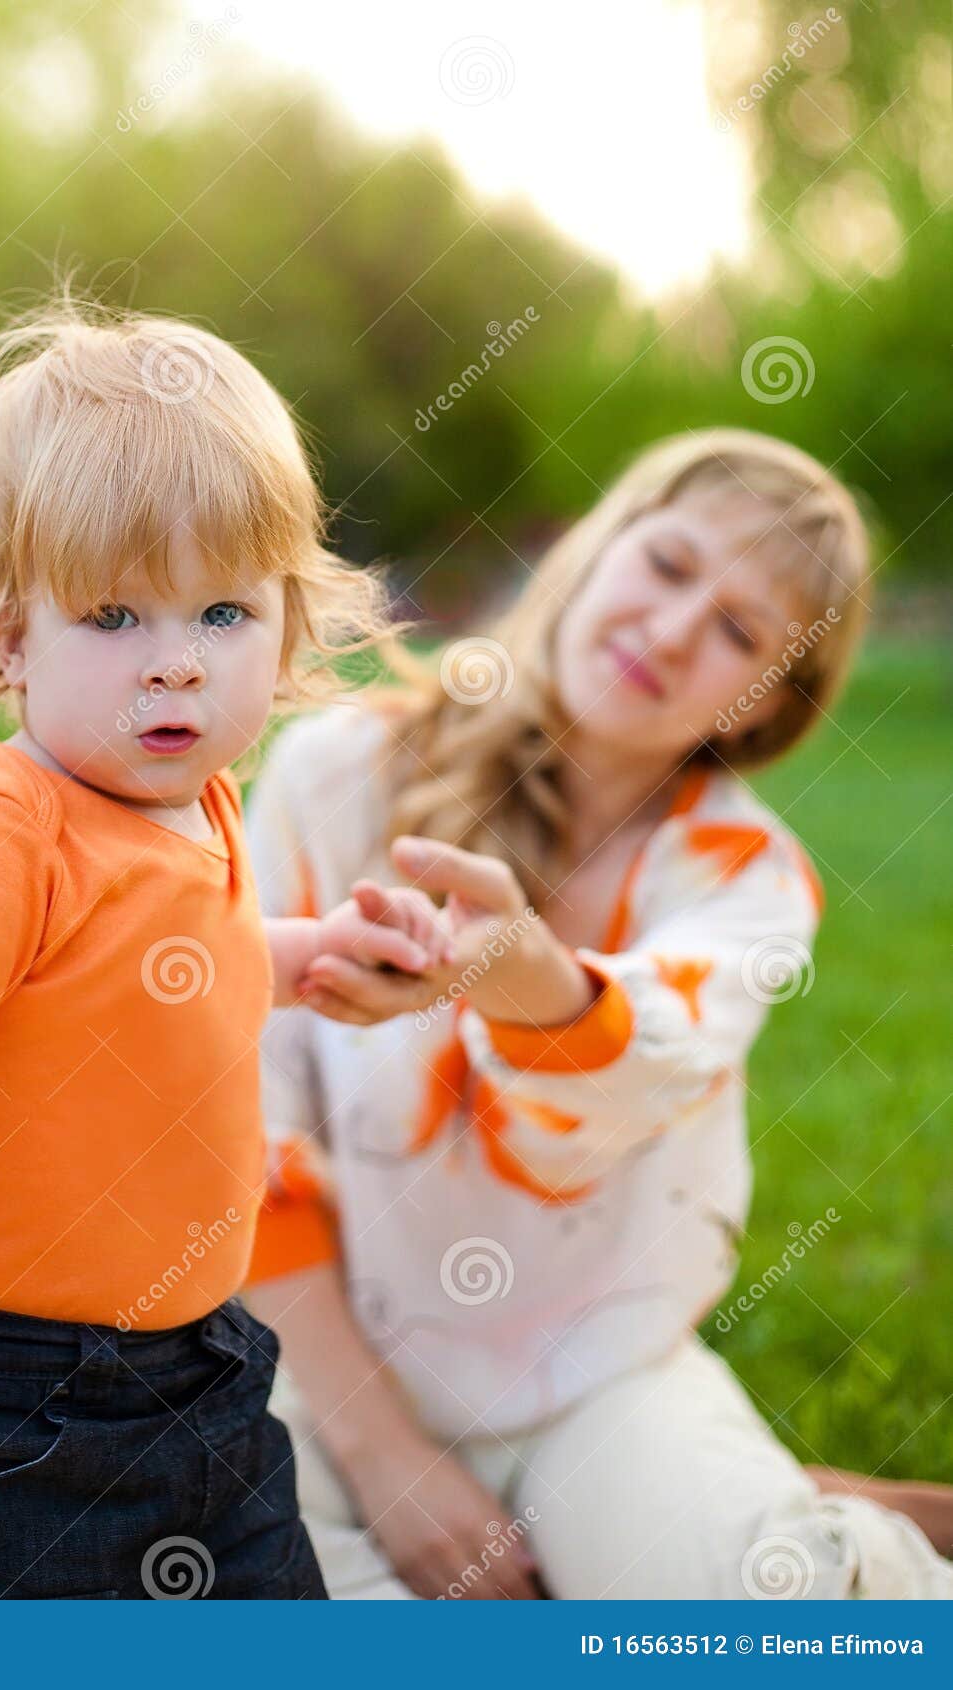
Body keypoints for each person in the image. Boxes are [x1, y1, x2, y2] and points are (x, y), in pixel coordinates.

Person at [0, 303, 452, 1600]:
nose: (174, 668)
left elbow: (160, 964)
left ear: (288, 621)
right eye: (115, 615)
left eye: (221, 613)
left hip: (201, 1366)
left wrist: (306, 954)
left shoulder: (193, 806)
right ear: (12, 634)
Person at [242, 428, 953, 1600]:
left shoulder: (745, 877)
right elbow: (236, 1117)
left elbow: (649, 1060)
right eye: (668, 565)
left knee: (784, 1616)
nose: (672, 631)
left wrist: (521, 976)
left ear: (763, 704)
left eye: (738, 631)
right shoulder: (338, 773)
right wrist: (390, 1457)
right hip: (320, 1373)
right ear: (594, 547)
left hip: (600, 1381)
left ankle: (812, 1525)